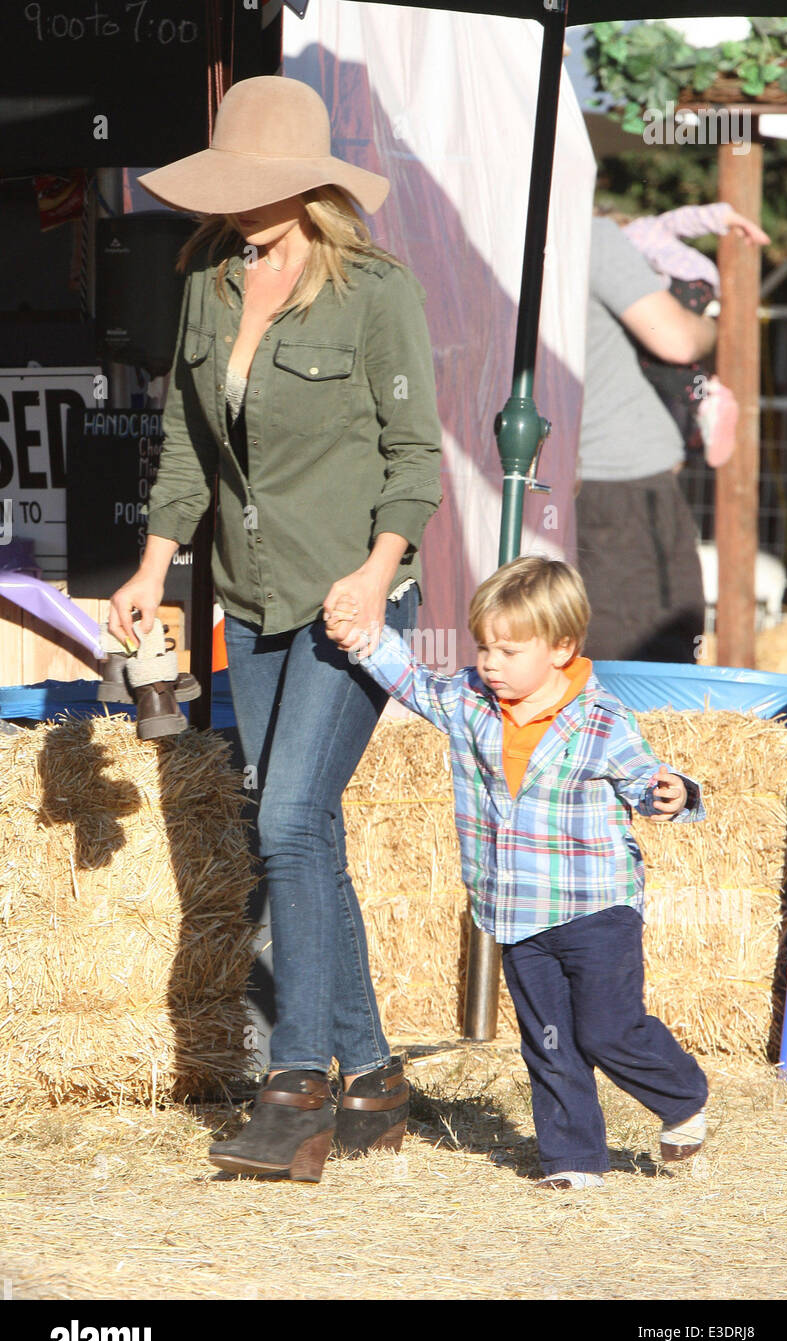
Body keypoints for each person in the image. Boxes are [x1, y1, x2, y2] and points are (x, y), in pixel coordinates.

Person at [107, 76, 443, 1182]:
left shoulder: (375, 291)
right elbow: (187, 447)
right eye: (231, 184)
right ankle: (378, 1079)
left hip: (350, 595)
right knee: (300, 832)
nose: (246, 205)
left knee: (293, 816)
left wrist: (377, 567)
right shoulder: (208, 282)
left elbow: (413, 457)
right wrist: (153, 568)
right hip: (247, 596)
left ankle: (295, 1085)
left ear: (310, 186)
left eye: (265, 187)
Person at [325, 556, 708, 1189]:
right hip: (515, 910)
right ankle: (574, 1159)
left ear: (562, 648)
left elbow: (644, 777)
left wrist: (673, 793)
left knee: (609, 1030)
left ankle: (682, 1094)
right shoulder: (471, 702)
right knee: (549, 1040)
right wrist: (364, 635)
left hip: (596, 905)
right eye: (484, 646)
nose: (490, 661)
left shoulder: (601, 718)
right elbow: (413, 683)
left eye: (508, 649)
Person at [575, 214, 719, 662]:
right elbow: (676, 339)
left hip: (589, 478)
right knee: (653, 649)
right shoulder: (591, 234)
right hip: (623, 485)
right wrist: (711, 324)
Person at [621, 202, 768, 470]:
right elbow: (687, 219)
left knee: (650, 356)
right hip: (700, 285)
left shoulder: (624, 237)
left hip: (682, 284)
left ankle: (704, 402)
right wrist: (733, 218)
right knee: (674, 363)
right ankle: (706, 396)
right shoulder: (650, 227)